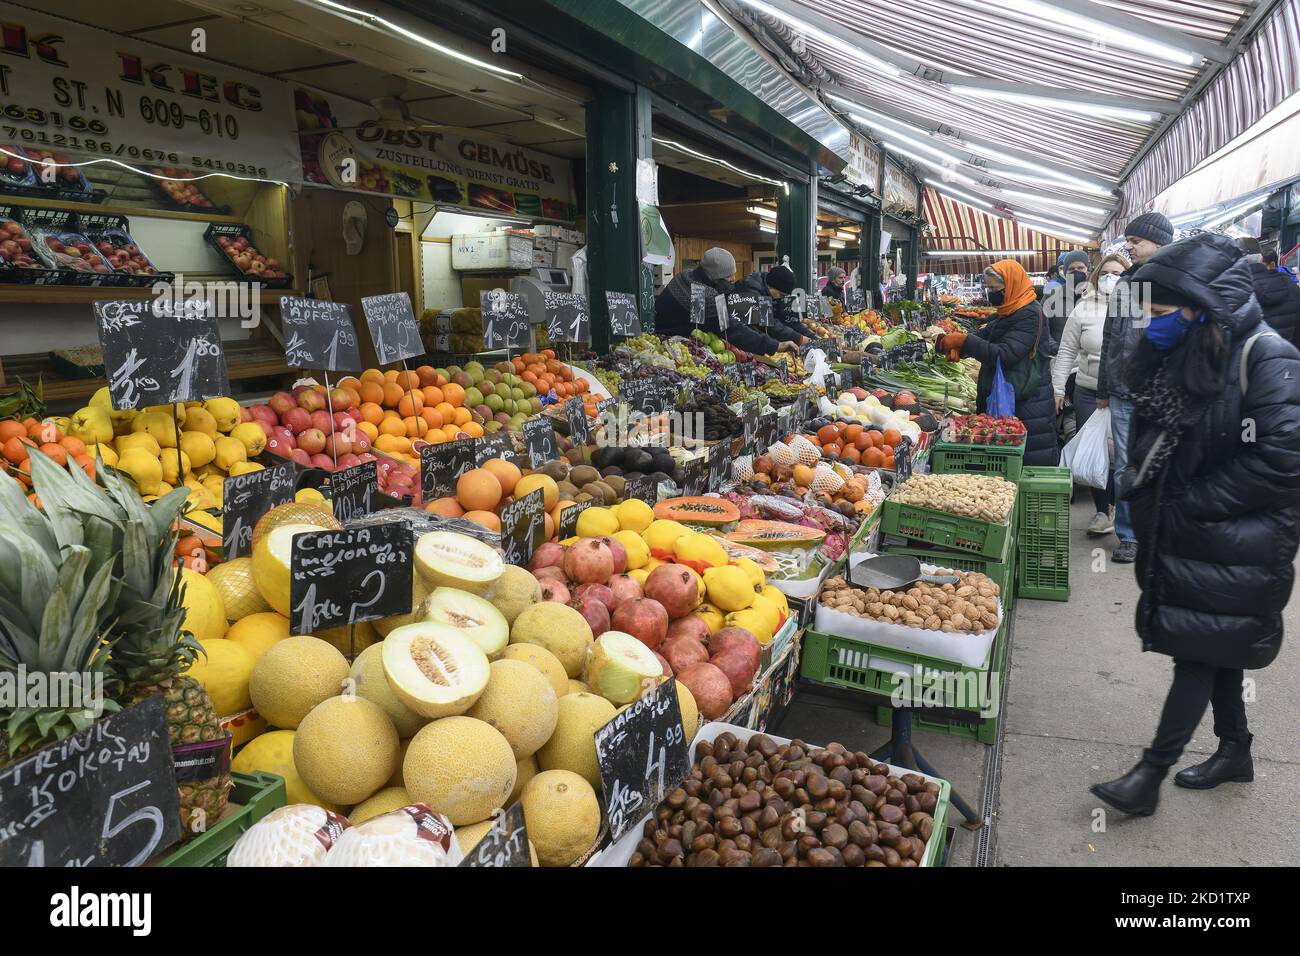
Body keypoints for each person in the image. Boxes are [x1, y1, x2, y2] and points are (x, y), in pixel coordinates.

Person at [1089, 232, 1300, 816]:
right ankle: (1236, 750)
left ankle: (1149, 776)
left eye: (1163, 311)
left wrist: (1192, 503)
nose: (1153, 323)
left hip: (1239, 536)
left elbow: (1284, 458)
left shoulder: (1266, 354)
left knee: (1198, 653)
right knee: (1217, 644)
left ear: (1204, 307)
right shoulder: (1193, 351)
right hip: (1199, 532)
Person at [1096, 211, 1174, 564]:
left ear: (1159, 243)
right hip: (1124, 391)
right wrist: (1103, 388)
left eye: (1136, 241)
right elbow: (1111, 339)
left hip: (1165, 393)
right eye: (1128, 240)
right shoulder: (1125, 284)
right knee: (1127, 464)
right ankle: (1129, 535)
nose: (1129, 246)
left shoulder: (1179, 282)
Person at [935, 259, 1060, 465]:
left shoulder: (1029, 314)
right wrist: (955, 346)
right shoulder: (1008, 311)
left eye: (995, 288)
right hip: (1011, 402)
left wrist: (965, 341)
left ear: (1011, 285)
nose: (991, 292)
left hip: (1025, 405)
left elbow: (1005, 355)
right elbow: (984, 339)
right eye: (988, 287)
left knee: (1023, 464)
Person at [1052, 253, 1129, 534]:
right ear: (1096, 277)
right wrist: (1058, 389)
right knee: (1096, 451)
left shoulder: (1139, 307)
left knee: (1123, 455)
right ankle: (1102, 510)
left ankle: (1125, 512)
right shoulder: (1084, 308)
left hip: (1126, 393)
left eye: (1118, 273)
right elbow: (1066, 352)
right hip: (1088, 391)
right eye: (1106, 273)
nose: (1111, 278)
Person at [653, 247, 791, 355]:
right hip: (669, 349)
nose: (732, 279)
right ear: (715, 276)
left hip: (668, 342)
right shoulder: (705, 296)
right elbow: (732, 329)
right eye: (728, 276)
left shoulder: (684, 275)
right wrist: (774, 345)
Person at [1239, 237, 1300, 344]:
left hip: (1253, 355)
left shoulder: (1239, 289)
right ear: (1261, 258)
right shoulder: (1291, 285)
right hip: (1288, 353)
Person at [733, 264, 812, 345]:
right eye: (781, 295)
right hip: (738, 340)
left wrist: (812, 337)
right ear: (771, 287)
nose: (782, 298)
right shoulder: (752, 289)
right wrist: (799, 339)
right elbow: (770, 324)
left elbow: (788, 319)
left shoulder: (771, 291)